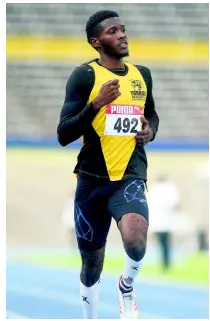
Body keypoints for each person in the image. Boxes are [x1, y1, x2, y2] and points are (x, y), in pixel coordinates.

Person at [57, 10, 159, 319]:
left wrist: (150, 131)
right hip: (91, 181)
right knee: (91, 267)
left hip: (130, 174)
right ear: (96, 42)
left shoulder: (142, 74)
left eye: (123, 29)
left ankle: (127, 285)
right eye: (113, 31)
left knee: (136, 242)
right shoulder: (85, 76)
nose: (122, 34)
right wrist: (96, 104)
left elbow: (151, 114)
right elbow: (64, 134)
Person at [148, 175, 180, 270]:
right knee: (166, 244)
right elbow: (176, 203)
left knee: (162, 244)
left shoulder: (154, 189)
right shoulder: (170, 188)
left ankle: (165, 263)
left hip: (157, 221)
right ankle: (166, 263)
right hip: (166, 221)